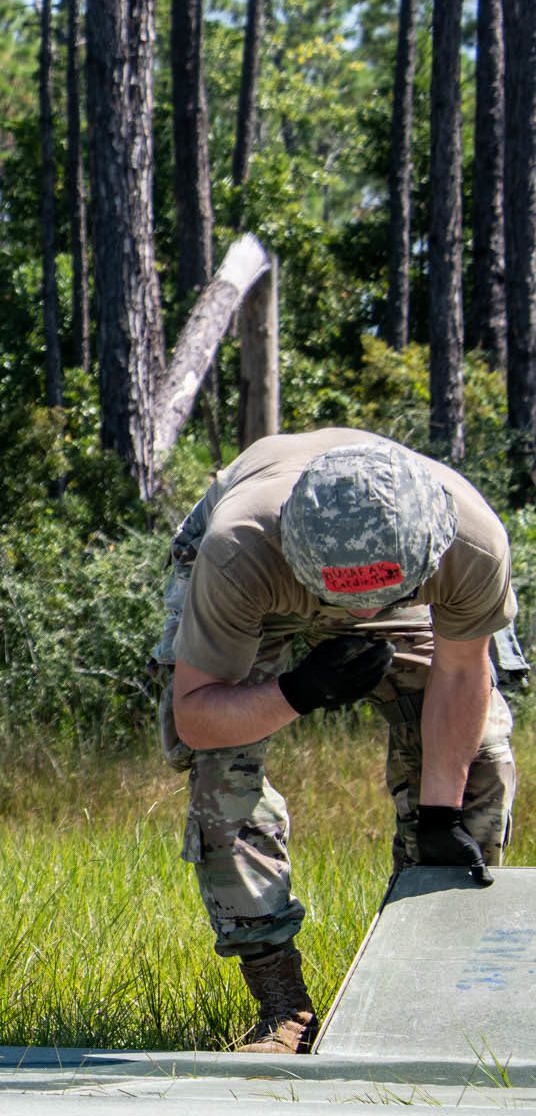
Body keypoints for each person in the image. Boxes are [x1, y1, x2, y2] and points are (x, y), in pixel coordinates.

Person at [157, 429, 517, 1054]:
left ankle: (415, 1005)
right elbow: (197, 716)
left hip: (394, 569)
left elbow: (461, 675)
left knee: (479, 761)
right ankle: (282, 1010)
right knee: (222, 774)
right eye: (339, 602)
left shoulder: (471, 544)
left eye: (373, 604)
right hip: (269, 581)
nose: (355, 618)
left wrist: (439, 812)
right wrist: (297, 691)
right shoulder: (238, 550)